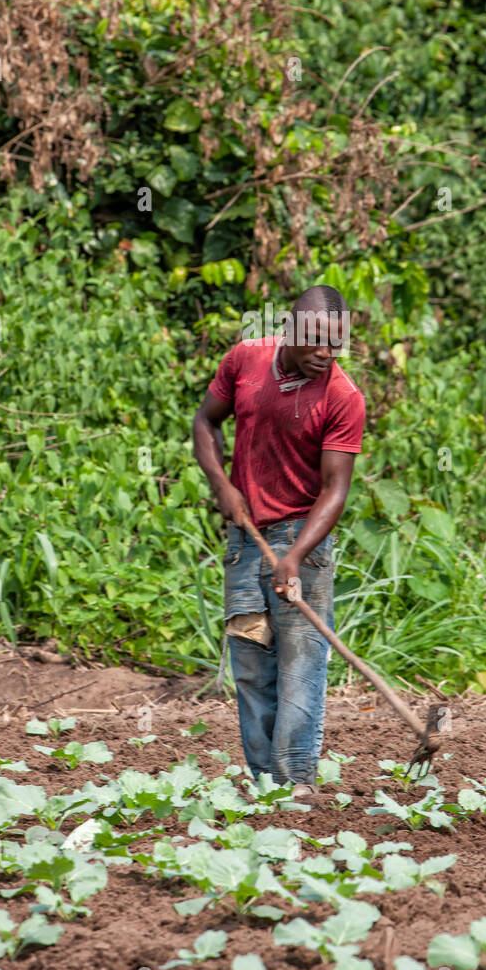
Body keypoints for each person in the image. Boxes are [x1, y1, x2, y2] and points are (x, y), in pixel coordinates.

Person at [193, 285, 366, 795]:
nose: (325, 354)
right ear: (288, 330)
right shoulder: (245, 360)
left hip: (302, 541)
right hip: (245, 539)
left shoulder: (342, 396)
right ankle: (265, 785)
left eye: (336, 344)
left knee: (301, 662)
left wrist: (295, 555)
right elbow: (206, 420)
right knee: (250, 665)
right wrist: (221, 484)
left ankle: (299, 786)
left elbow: (335, 490)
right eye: (314, 341)